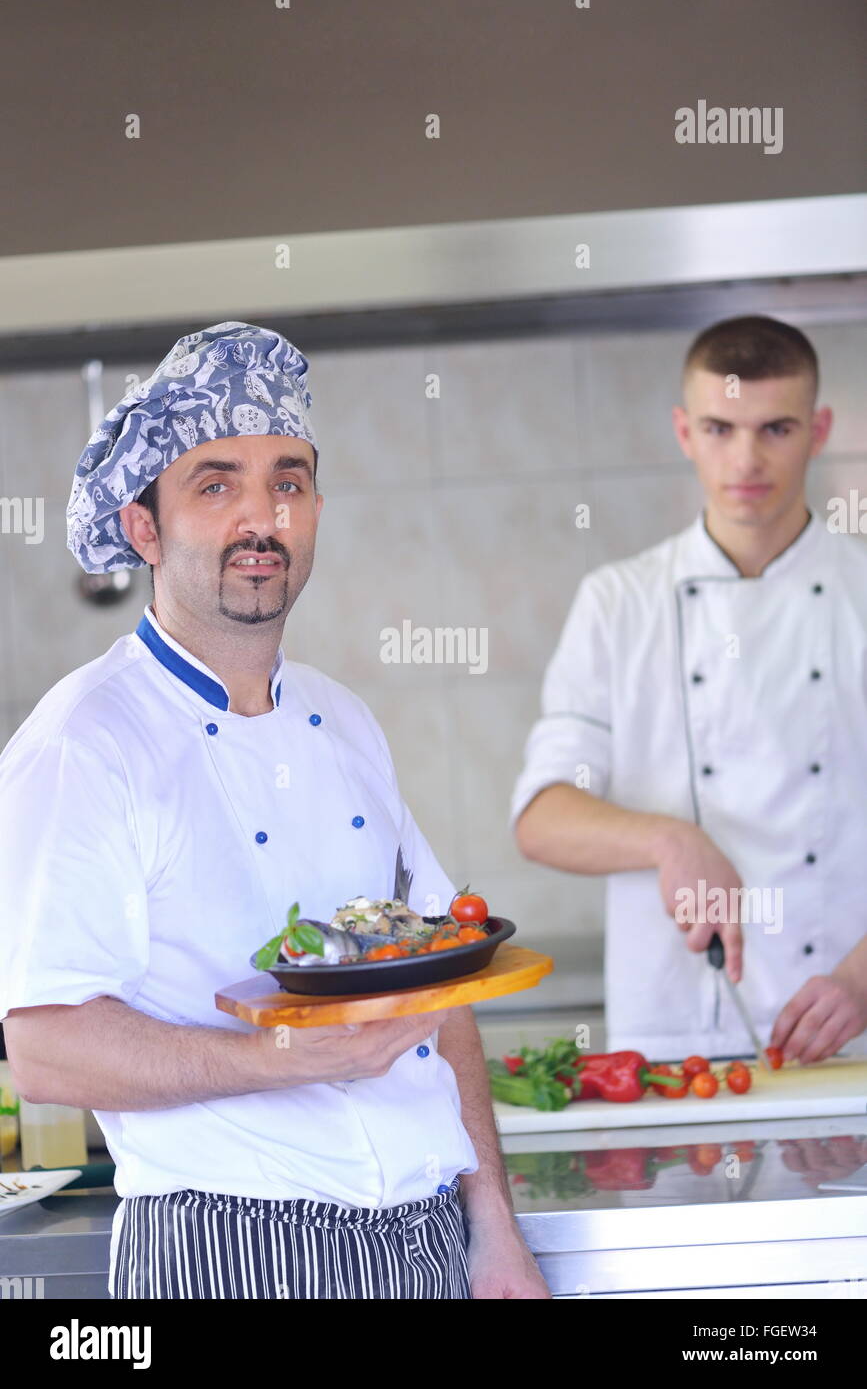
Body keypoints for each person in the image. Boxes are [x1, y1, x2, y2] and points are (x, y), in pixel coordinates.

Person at [0, 321, 549, 1300]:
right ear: (145, 528)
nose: (262, 516)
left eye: (287, 481)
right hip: (228, 1247)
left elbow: (440, 982)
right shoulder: (86, 742)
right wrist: (284, 1056)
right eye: (216, 484)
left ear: (316, 509)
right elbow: (43, 1048)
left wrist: (492, 1222)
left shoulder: (344, 720)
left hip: (422, 1245)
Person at [511, 315, 867, 1065]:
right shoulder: (618, 602)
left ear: (818, 428)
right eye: (718, 427)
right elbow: (541, 816)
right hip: (678, 1045)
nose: (745, 458)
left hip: (854, 1034)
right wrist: (668, 840)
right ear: (682, 431)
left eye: (775, 428)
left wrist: (862, 983)